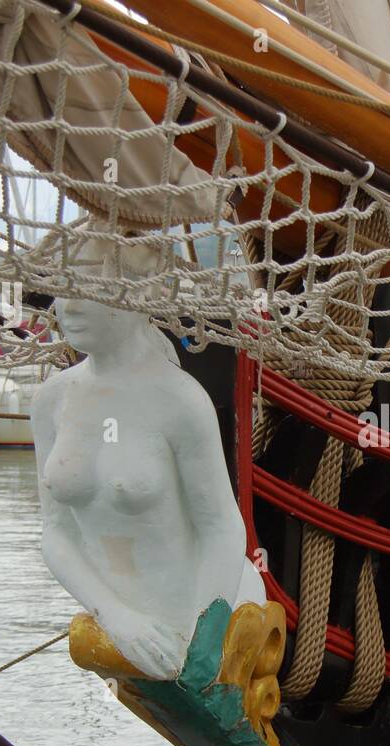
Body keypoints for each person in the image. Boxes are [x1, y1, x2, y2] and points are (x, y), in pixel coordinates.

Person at [32, 235, 264, 679]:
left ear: (141, 296)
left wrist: (203, 639)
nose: (68, 307)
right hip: (126, 631)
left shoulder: (179, 401)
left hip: (206, 625)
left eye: (88, 290)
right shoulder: (51, 400)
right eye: (62, 289)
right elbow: (55, 533)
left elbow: (221, 526)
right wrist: (117, 618)